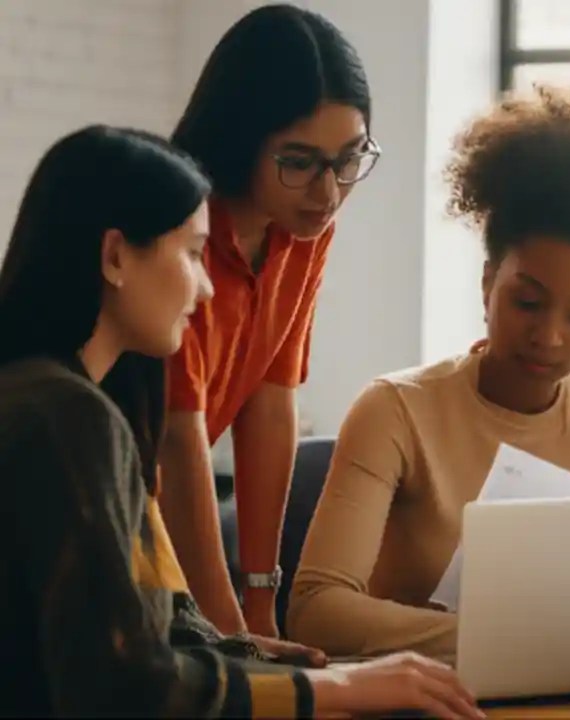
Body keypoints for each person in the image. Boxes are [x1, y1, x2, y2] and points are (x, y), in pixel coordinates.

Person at [0, 125, 483, 719]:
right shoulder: (67, 417)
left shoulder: (65, 403)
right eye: (194, 254)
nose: (205, 289)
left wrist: (258, 661)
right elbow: (127, 682)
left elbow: (156, 636)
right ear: (116, 256)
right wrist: (340, 689)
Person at [287, 84, 570, 663]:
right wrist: (510, 641)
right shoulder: (397, 411)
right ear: (488, 282)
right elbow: (317, 609)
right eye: (528, 302)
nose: (549, 336)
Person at [161, 3, 382, 639]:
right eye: (299, 161)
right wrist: (229, 631)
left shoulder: (304, 227)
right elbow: (178, 442)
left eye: (349, 158)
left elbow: (270, 400)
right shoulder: (178, 227)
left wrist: (262, 603)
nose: (329, 192)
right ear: (240, 140)